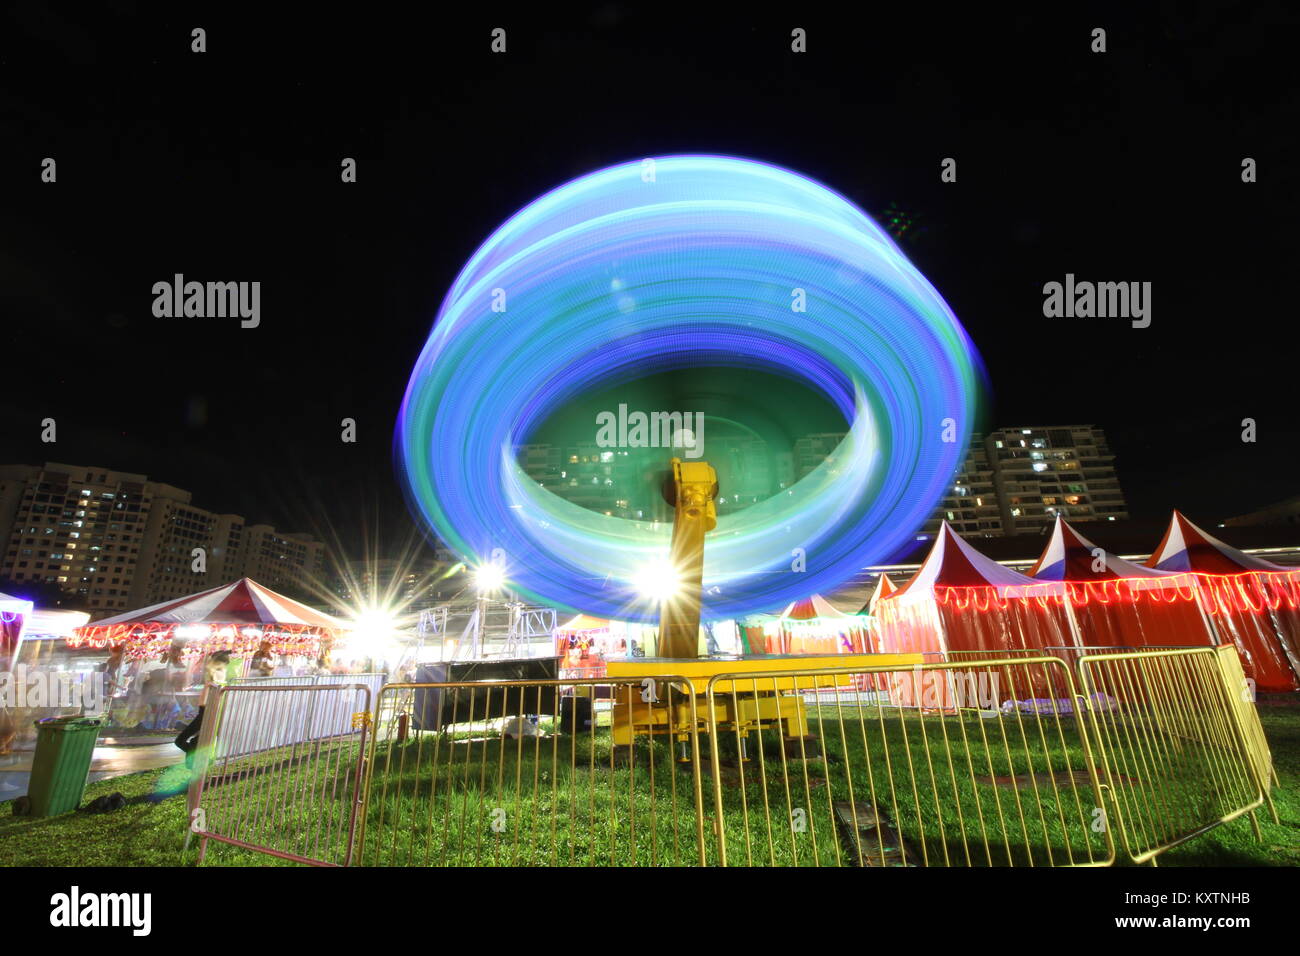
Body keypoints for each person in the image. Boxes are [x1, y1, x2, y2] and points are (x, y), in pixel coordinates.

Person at [174, 650, 231, 767]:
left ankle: (194, 761)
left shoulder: (217, 674)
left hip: (206, 711)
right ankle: (197, 761)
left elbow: (210, 693)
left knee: (182, 740)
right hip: (206, 711)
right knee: (195, 741)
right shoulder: (217, 674)